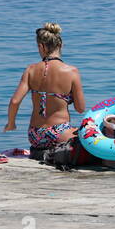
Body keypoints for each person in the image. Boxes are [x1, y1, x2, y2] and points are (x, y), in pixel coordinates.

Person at [5, 23, 86, 151]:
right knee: (91, 134)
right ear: (61, 45)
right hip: (60, 134)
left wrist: (11, 123)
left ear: (41, 46)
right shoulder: (72, 71)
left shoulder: (30, 70)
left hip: (35, 135)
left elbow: (15, 101)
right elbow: (80, 108)